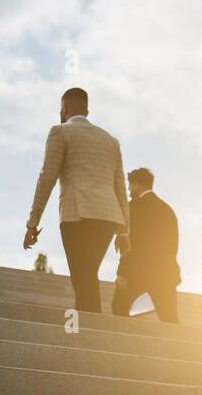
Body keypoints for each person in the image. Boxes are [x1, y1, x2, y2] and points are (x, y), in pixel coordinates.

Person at [23, 87, 130, 313]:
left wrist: (33, 223)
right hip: (109, 217)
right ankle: (91, 329)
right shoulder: (111, 140)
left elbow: (47, 178)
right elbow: (120, 187)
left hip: (76, 215)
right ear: (87, 110)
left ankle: (91, 333)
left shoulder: (60, 132)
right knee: (86, 274)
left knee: (83, 276)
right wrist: (124, 231)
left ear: (64, 108)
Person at [112, 167, 181, 322]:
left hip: (136, 273)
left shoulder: (132, 208)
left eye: (130, 185)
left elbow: (129, 243)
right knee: (169, 319)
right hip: (165, 274)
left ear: (137, 184)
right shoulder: (167, 210)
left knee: (119, 308)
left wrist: (122, 272)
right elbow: (173, 245)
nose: (129, 190)